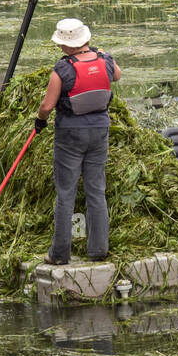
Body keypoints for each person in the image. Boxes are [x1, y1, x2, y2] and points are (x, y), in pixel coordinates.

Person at [34, 18, 122, 265]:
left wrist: (39, 120)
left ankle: (60, 254)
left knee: (66, 192)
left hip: (70, 135)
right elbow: (117, 75)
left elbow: (48, 105)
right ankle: (98, 250)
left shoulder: (62, 69)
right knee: (96, 190)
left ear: (67, 45)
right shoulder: (104, 60)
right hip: (100, 132)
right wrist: (103, 54)